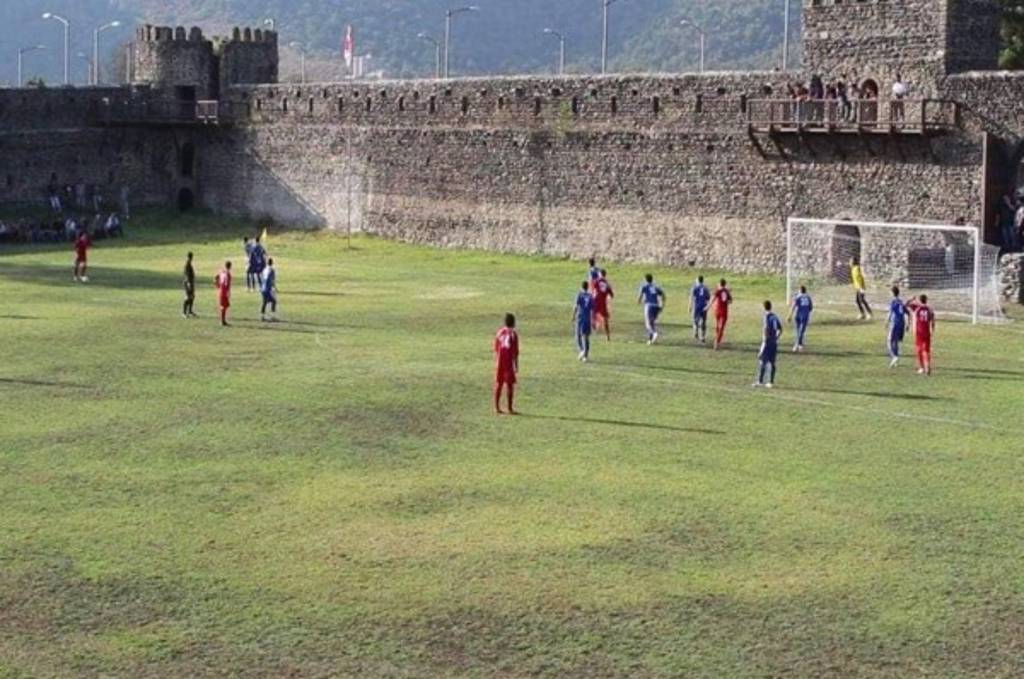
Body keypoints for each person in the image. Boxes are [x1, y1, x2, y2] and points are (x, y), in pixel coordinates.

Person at [493, 313, 519, 415]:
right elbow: (515, 352)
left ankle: (497, 407)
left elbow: (496, 348)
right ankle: (510, 408)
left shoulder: (499, 332)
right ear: (513, 323)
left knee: (499, 383)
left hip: (500, 362)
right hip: (508, 362)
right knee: (509, 385)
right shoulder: (513, 334)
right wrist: (516, 365)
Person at [753, 300, 783, 388]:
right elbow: (780, 329)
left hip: (767, 342)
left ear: (764, 307)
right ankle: (771, 382)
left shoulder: (766, 316)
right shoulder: (775, 316)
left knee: (762, 360)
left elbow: (766, 328)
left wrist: (765, 340)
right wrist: (776, 338)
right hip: (774, 342)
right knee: (772, 362)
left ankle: (760, 381)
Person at [908, 294, 936, 375]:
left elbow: (906, 304)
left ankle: (922, 367)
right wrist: (932, 329)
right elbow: (933, 320)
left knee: (919, 349)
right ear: (926, 300)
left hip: (918, 332)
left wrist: (911, 299)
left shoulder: (917, 307)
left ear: (920, 301)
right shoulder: (929, 309)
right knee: (926, 350)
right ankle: (928, 366)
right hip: (927, 332)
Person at [637, 273, 666, 345]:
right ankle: (650, 340)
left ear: (645, 279)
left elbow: (640, 295)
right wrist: (662, 306)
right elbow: (663, 295)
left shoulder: (644, 286)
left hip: (649, 306)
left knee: (648, 324)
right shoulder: (655, 287)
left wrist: (639, 301)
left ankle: (654, 333)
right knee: (651, 323)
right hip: (656, 306)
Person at [886, 285, 910, 368]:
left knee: (889, 341)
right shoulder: (901, 302)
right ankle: (896, 360)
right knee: (895, 342)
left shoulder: (893, 302)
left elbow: (890, 312)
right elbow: (908, 313)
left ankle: (894, 356)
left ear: (892, 293)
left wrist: (886, 321)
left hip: (894, 323)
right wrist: (908, 324)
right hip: (901, 324)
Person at [787, 285, 813, 352]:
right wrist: (806, 311)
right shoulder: (808, 297)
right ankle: (799, 345)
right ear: (805, 290)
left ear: (800, 290)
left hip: (797, 315)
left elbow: (793, 306)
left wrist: (789, 316)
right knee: (802, 331)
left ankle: (797, 344)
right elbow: (811, 308)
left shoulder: (797, 297)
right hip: (805, 316)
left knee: (797, 330)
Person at [573, 281, 594, 362]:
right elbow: (593, 309)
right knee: (586, 337)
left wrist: (573, 315)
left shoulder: (579, 295)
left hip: (580, 318)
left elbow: (576, 306)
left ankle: (582, 350)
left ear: (581, 287)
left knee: (578, 335)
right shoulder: (590, 296)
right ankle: (585, 355)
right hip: (588, 318)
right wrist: (593, 320)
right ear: (588, 287)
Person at [592, 269, 614, 341]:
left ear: (600, 274)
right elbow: (611, 295)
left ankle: (594, 325)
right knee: (605, 319)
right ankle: (608, 336)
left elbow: (594, 291)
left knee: (593, 313)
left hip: (596, 301)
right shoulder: (607, 284)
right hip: (603, 302)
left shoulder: (597, 281)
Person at [711, 278, 733, 349]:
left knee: (717, 325)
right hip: (724, 311)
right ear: (725, 284)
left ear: (720, 284)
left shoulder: (718, 291)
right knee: (721, 327)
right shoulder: (726, 291)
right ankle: (717, 342)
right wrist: (726, 302)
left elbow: (713, 299)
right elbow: (730, 301)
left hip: (717, 310)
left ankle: (717, 340)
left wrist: (707, 307)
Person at [689, 275, 711, 343]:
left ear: (698, 280)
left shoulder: (694, 287)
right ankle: (703, 337)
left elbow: (692, 297)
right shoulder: (706, 288)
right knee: (703, 321)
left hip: (697, 306)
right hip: (704, 306)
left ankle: (696, 332)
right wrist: (707, 306)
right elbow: (708, 298)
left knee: (695, 320)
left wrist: (689, 306)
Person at [261, 258, 278, 322]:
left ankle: (262, 316)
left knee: (264, 302)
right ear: (272, 263)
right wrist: (274, 288)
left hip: (263, 288)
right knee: (274, 301)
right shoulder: (272, 270)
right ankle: (273, 317)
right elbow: (272, 280)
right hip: (268, 289)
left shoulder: (264, 269)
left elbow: (263, 278)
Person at [215, 261, 233, 327]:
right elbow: (227, 284)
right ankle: (222, 321)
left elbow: (216, 277)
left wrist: (217, 285)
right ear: (230, 266)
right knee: (223, 306)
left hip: (221, 290)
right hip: (224, 291)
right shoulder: (228, 274)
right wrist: (228, 292)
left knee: (224, 306)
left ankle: (223, 320)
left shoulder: (222, 272)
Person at [183, 252, 197, 318]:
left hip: (191, 282)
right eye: (191, 257)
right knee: (187, 297)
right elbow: (186, 274)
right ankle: (184, 312)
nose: (192, 258)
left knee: (192, 296)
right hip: (188, 282)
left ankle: (190, 311)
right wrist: (188, 283)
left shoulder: (189, 263)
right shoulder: (187, 264)